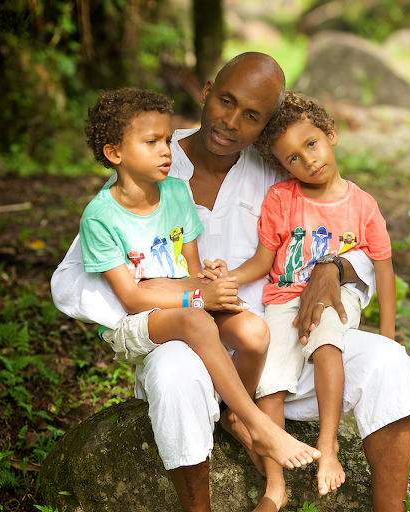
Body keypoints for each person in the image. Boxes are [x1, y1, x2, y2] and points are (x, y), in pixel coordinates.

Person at [51, 52, 410, 512]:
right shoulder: (150, 160)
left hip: (276, 345)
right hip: (183, 341)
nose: (230, 122)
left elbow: (353, 231)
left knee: (388, 360)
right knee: (173, 373)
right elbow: (76, 280)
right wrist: (174, 304)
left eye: (252, 116)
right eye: (225, 101)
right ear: (206, 93)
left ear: (264, 127)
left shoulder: (279, 170)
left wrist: (333, 267)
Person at [73, 87, 320, 472]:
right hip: (142, 320)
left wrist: (209, 279)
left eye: (168, 140)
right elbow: (132, 299)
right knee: (195, 319)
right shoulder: (100, 217)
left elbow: (190, 269)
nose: (166, 151)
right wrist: (198, 298)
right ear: (114, 153)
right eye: (152, 142)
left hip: (185, 301)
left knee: (254, 332)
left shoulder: (175, 192)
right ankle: (258, 424)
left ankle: (233, 414)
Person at [203, 90, 397, 500]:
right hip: (281, 299)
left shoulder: (362, 205)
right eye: (293, 158)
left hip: (332, 297)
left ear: (330, 134)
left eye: (312, 144)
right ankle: (276, 488)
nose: (308, 160)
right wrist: (228, 278)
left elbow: (383, 268)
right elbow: (262, 261)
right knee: (269, 384)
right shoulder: (281, 199)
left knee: (328, 345)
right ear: (281, 166)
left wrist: (388, 334)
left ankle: (328, 447)